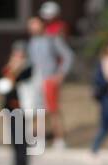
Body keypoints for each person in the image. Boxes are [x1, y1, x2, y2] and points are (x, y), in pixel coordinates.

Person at [27, 13, 73, 149]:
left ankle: (59, 139)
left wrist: (60, 74)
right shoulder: (32, 42)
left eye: (35, 24)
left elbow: (68, 56)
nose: (33, 27)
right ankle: (39, 139)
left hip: (49, 79)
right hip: (35, 81)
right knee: (37, 111)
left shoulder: (52, 40)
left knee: (53, 110)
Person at [0, 43, 35, 165]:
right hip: (10, 107)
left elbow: (20, 79)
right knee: (14, 136)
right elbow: (3, 82)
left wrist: (16, 69)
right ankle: (17, 162)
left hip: (21, 107)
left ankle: (22, 163)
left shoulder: (27, 69)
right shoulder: (8, 69)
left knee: (21, 137)